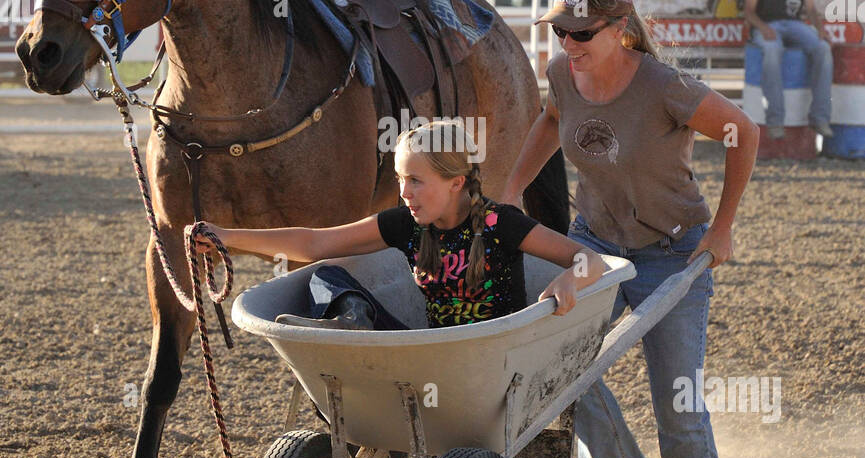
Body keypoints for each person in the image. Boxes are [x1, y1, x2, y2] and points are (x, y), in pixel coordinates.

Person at [502, 0, 759, 458]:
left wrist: (721, 229)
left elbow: (741, 131)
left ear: (620, 30)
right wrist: (514, 186)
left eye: (581, 32)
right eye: (560, 30)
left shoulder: (665, 88)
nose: (568, 43)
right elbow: (549, 119)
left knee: (678, 396)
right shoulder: (563, 73)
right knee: (559, 364)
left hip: (674, 250)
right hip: (595, 246)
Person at [195, 120, 607, 329]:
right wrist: (226, 237)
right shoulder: (406, 224)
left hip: (492, 358)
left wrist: (571, 279)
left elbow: (591, 260)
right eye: (399, 180)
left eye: (415, 181)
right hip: (429, 353)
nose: (404, 192)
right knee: (326, 276)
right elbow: (317, 244)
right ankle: (353, 322)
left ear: (456, 183)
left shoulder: (499, 223)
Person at [744, 0, 833, 140]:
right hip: (767, 24)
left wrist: (820, 30)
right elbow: (749, 11)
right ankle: (775, 120)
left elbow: (810, 9)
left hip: (793, 24)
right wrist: (763, 27)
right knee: (773, 51)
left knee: (822, 48)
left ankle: (819, 117)